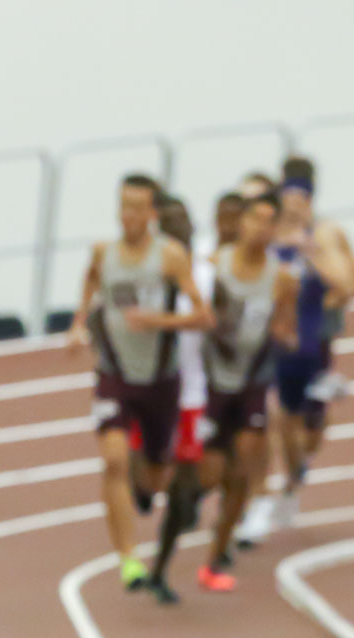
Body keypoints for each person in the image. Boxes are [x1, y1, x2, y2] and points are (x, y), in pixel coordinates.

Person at [66, 174, 214, 590]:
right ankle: (128, 558)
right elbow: (91, 283)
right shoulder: (103, 254)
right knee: (111, 459)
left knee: (154, 477)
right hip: (114, 372)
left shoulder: (170, 257)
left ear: (151, 214)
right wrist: (79, 325)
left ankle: (141, 475)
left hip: (161, 379)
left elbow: (204, 318)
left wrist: (158, 321)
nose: (128, 216)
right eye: (123, 206)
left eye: (137, 208)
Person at [237, 154, 354, 544]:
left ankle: (295, 474)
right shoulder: (265, 234)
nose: (294, 205)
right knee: (270, 418)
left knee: (306, 428)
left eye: (300, 197)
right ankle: (259, 501)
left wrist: (314, 273)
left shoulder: (326, 234)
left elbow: (352, 286)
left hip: (314, 339)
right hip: (269, 342)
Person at [196, 192, 296, 591]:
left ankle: (217, 553)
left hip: (252, 381)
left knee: (243, 468)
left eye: (270, 222)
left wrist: (287, 337)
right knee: (208, 474)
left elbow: (284, 329)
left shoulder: (282, 278)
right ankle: (192, 504)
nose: (261, 229)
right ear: (242, 224)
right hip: (210, 381)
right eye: (255, 220)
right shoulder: (212, 268)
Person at [143, 194, 215, 604]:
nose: (181, 232)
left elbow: (218, 323)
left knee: (185, 492)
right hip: (146, 393)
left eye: (185, 224)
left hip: (191, 395)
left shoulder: (204, 278)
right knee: (145, 482)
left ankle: (159, 571)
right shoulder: (143, 273)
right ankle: (143, 489)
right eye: (171, 227)